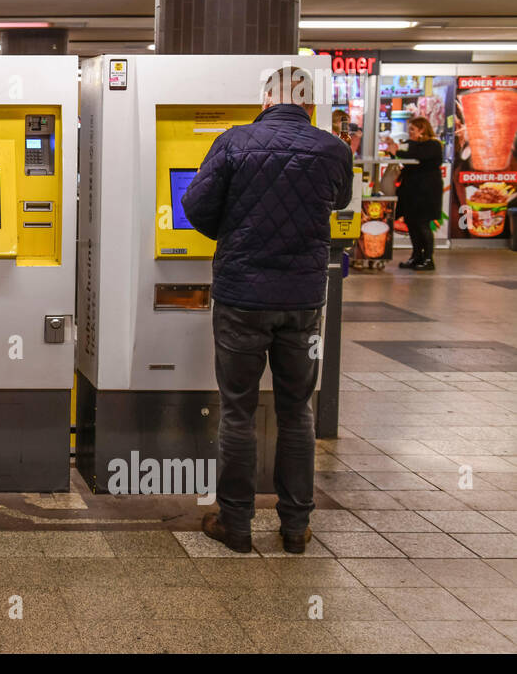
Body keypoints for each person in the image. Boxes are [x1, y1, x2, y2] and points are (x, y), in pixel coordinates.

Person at [181, 66, 354, 555]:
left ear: (265, 99)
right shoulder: (332, 148)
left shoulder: (235, 142)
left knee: (238, 411)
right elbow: (338, 201)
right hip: (302, 299)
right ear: (309, 104)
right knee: (297, 411)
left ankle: (235, 523)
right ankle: (295, 527)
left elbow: (195, 207)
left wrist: (232, 227)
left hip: (241, 297)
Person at [382, 117, 443, 271]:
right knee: (411, 223)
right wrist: (392, 149)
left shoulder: (433, 145)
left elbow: (417, 155)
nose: (410, 133)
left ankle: (428, 258)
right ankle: (416, 256)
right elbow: (400, 155)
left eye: (413, 129)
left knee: (422, 224)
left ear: (422, 130)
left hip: (426, 192)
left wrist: (398, 150)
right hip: (410, 191)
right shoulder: (409, 144)